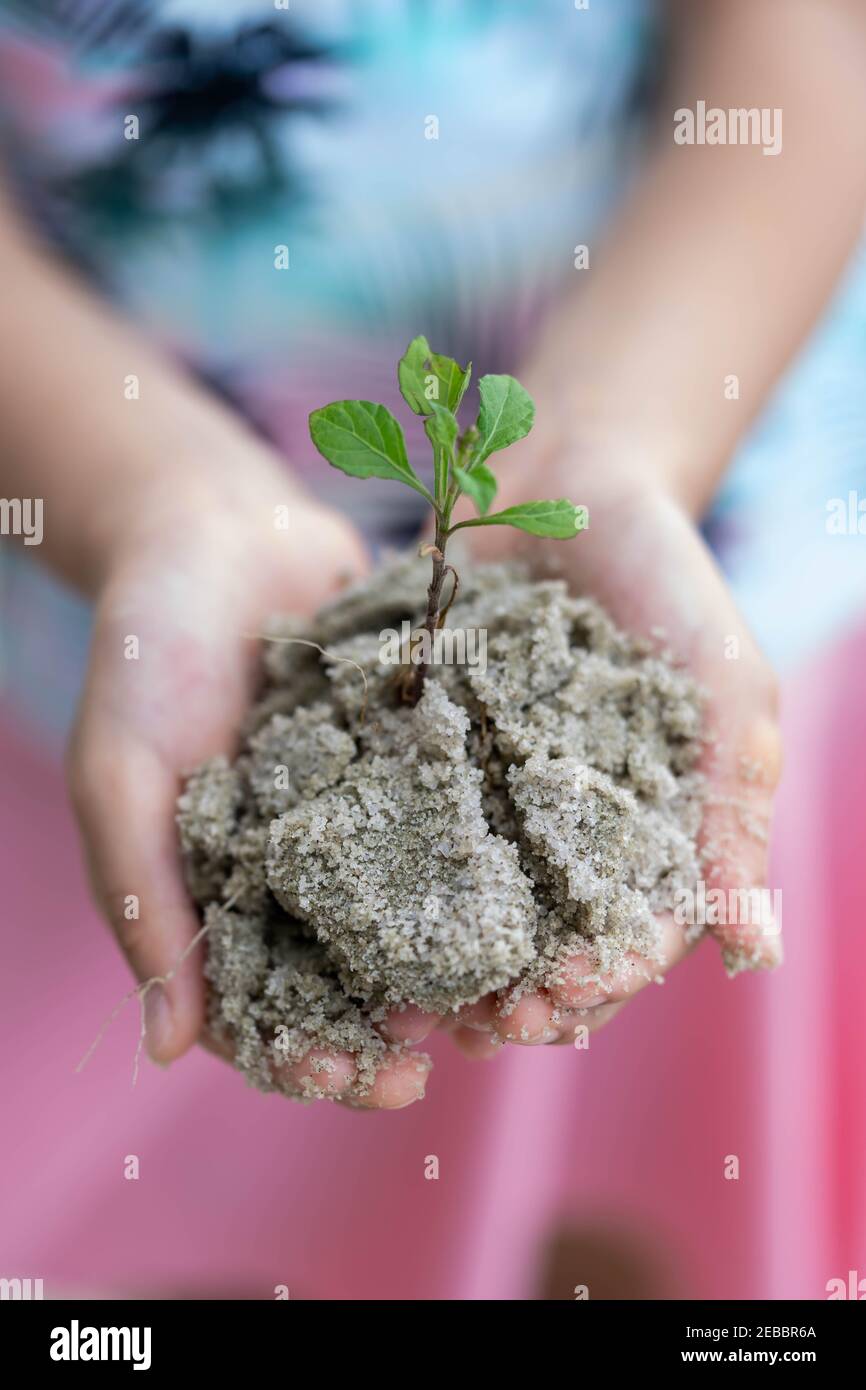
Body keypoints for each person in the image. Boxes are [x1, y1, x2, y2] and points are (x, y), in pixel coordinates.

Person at [1, 0, 865, 1297]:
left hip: (711, 508)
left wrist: (615, 443)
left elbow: (809, 43)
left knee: (641, 1196)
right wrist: (145, 498)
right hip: (106, 610)